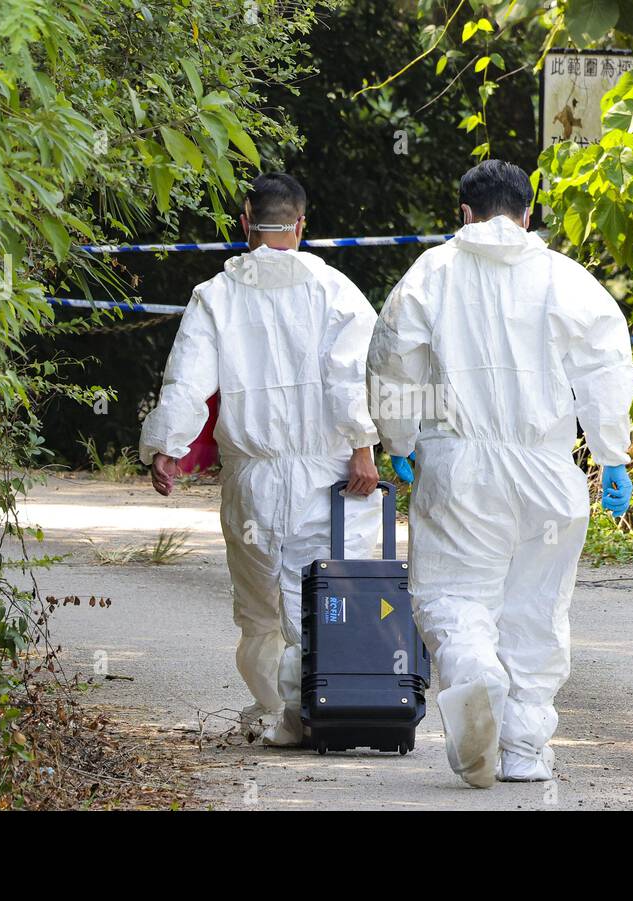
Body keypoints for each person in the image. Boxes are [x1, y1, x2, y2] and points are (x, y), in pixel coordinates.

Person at [367, 159, 633, 787]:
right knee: (538, 610)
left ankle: (473, 668)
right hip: (548, 470)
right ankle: (523, 750)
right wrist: (612, 453)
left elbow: (393, 362)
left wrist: (399, 439)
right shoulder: (567, 279)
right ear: (528, 212)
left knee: (454, 595)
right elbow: (606, 364)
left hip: (462, 467)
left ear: (463, 213)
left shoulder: (430, 275)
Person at [140, 173, 381, 746]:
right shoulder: (338, 293)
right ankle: (316, 710)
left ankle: (275, 708)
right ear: (301, 226)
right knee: (320, 594)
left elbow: (187, 382)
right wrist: (364, 445)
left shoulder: (215, 297)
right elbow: (351, 377)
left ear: (245, 223)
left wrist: (168, 448)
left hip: (251, 475)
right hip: (326, 473)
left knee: (259, 606)